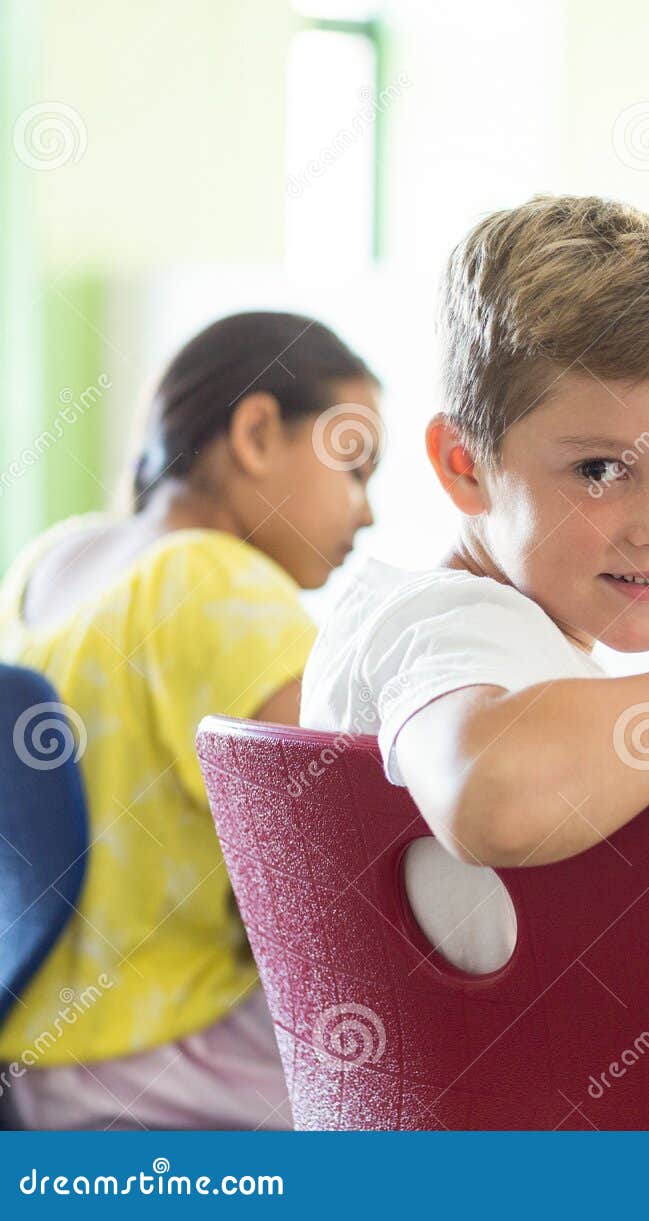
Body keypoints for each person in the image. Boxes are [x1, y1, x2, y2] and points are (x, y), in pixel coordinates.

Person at [300, 195, 649, 976]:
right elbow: (489, 793)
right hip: (526, 1098)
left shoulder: (481, 635)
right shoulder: (446, 626)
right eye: (600, 469)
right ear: (465, 465)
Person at [0, 312, 380, 1129]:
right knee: (432, 1097)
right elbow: (352, 839)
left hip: (35, 1052)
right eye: (354, 466)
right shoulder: (213, 577)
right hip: (158, 1051)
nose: (368, 512)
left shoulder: (52, 563)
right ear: (255, 432)